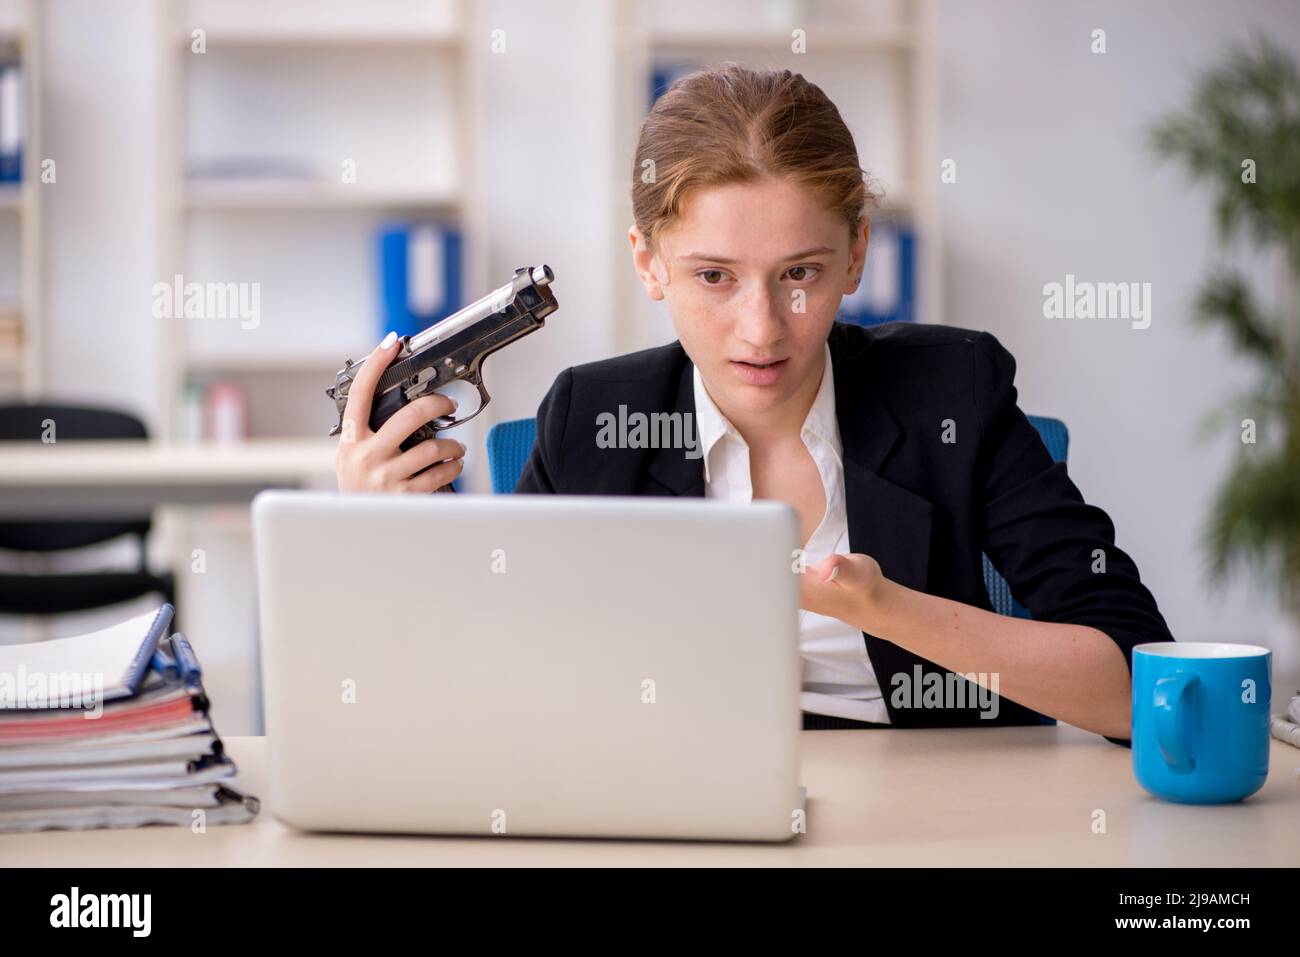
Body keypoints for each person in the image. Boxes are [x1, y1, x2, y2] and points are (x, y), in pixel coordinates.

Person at [336, 63, 1175, 745]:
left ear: (857, 254)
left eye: (800, 272)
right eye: (714, 276)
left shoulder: (956, 389)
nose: (762, 327)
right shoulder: (590, 416)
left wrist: (883, 609)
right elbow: (490, 688)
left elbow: (1141, 686)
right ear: (648, 262)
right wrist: (386, 545)